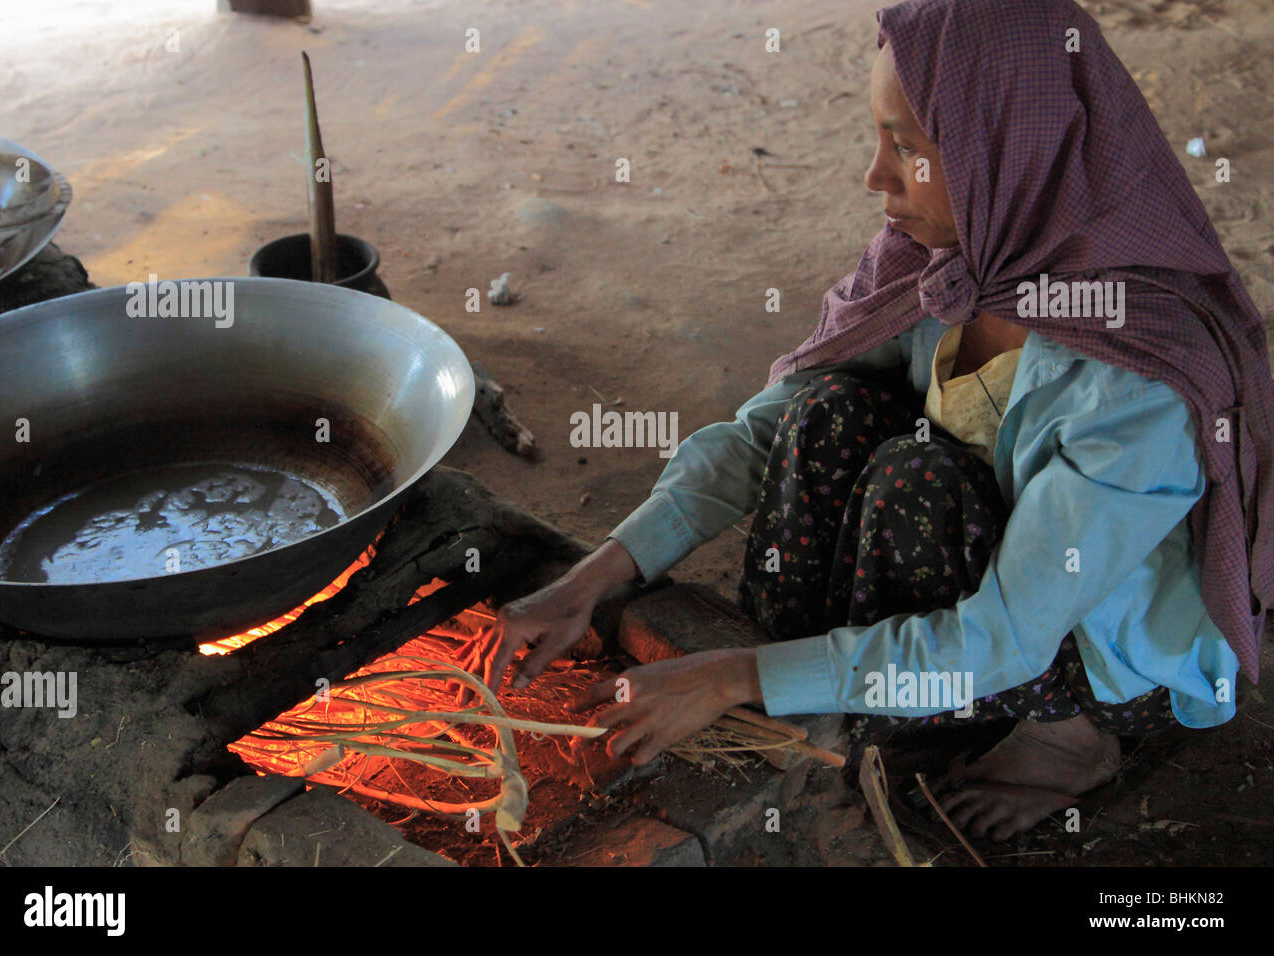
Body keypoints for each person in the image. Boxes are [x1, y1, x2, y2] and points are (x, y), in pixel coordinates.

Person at [459, 0, 1273, 841]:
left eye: (910, 149)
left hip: (1079, 648)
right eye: (882, 139)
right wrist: (588, 582)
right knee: (827, 411)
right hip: (982, 534)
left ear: (1013, 160)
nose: (876, 177)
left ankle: (1064, 740)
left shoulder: (1131, 381)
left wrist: (734, 678)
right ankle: (817, 687)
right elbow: (764, 433)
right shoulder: (949, 259)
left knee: (911, 480)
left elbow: (1003, 639)